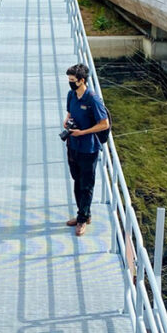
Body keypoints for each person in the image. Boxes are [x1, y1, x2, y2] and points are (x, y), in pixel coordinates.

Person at [62, 62, 110, 237]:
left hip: (88, 148)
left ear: (82, 80)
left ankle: (82, 219)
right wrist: (66, 122)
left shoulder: (93, 99)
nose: (70, 83)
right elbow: (69, 113)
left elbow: (104, 124)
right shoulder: (71, 94)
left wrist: (83, 131)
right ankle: (83, 213)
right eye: (69, 80)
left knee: (86, 184)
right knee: (76, 180)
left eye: (73, 80)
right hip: (72, 145)